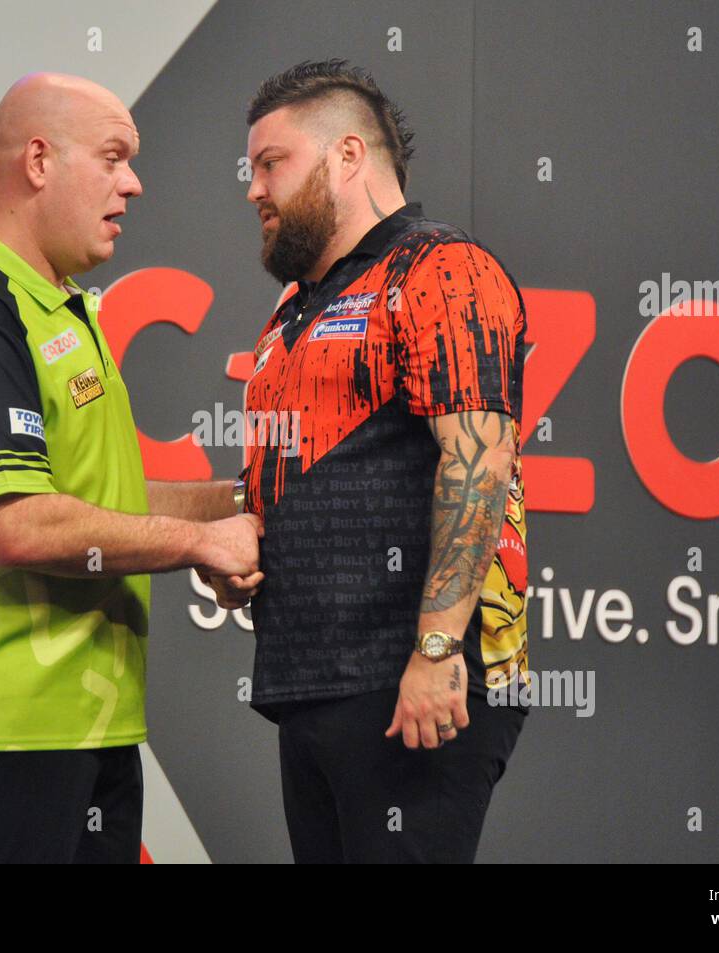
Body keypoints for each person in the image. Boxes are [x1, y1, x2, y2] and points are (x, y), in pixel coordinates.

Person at [0, 72, 259, 864]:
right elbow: (14, 523)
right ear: (39, 162)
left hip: (83, 725)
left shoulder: (65, 308)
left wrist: (235, 504)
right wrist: (202, 546)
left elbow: (94, 502)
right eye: (115, 158)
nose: (135, 183)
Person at [205, 59, 530, 863]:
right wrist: (227, 551)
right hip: (309, 681)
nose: (254, 190)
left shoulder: (442, 269)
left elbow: (479, 460)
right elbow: (278, 488)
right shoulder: (293, 311)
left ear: (346, 156)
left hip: (411, 680)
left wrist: (436, 650)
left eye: (270, 164)